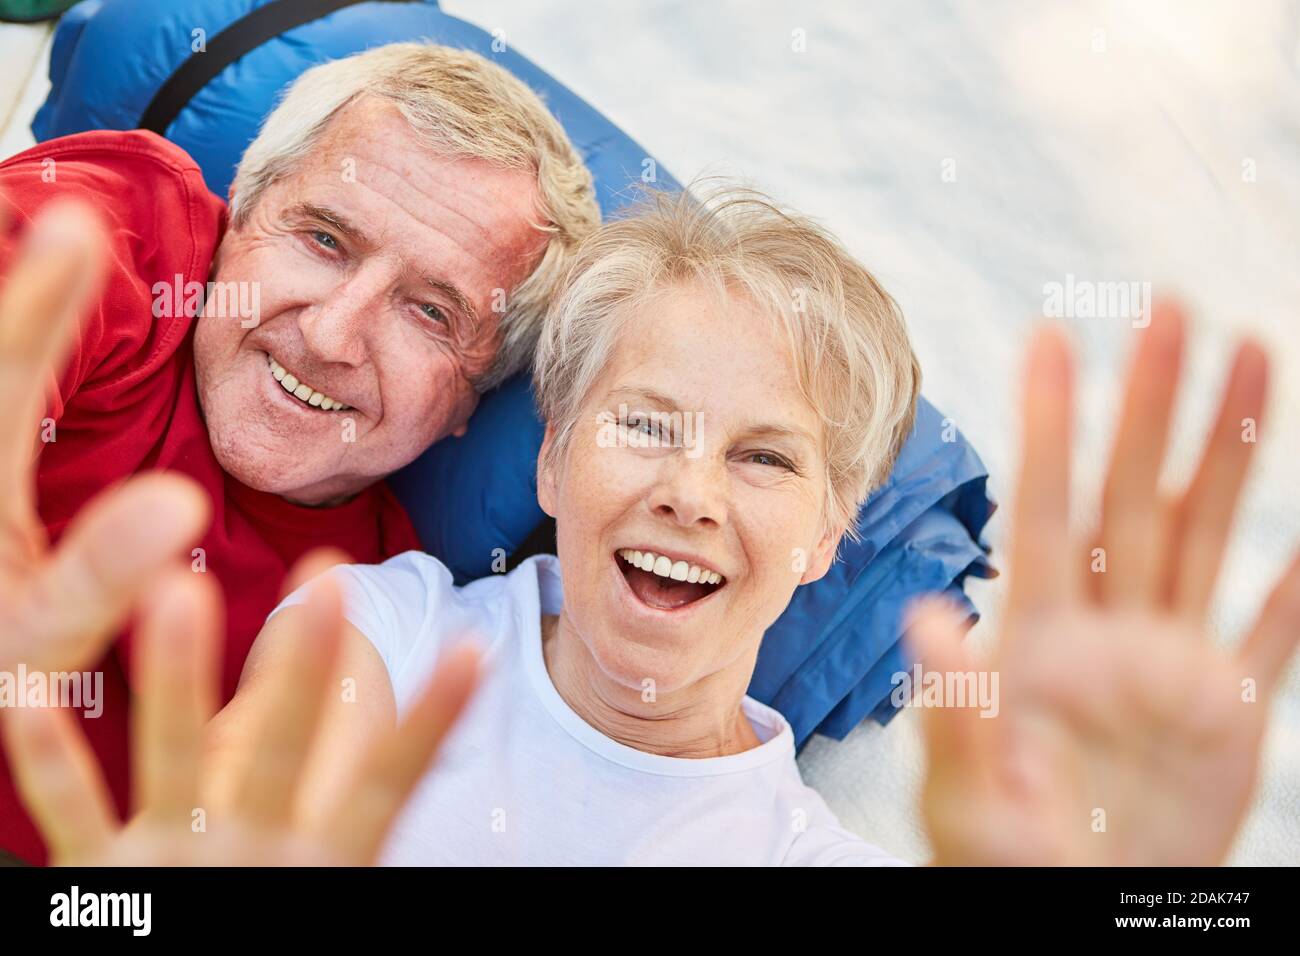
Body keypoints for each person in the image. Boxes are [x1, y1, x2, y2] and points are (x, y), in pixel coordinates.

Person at [10, 186, 1295, 865]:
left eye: (765, 456)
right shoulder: (383, 625)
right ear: (557, 456)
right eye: (647, 424)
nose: (694, 491)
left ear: (827, 532)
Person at [0, 42, 600, 864]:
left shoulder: (379, 611)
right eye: (322, 239)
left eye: (429, 312)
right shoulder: (136, 229)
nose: (330, 334)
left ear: (470, 399)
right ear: (242, 208)